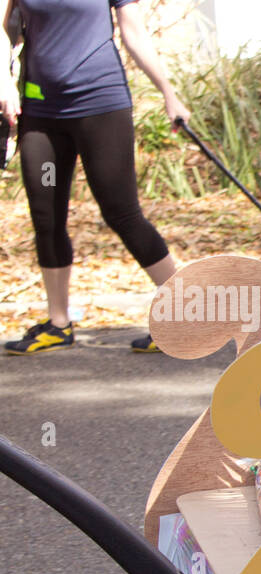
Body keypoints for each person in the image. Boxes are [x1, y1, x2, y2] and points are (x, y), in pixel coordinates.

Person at [0, 0, 188, 356]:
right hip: (41, 114)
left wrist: (169, 93)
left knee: (122, 212)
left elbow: (133, 33)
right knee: (47, 215)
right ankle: (58, 324)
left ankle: (185, 316)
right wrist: (4, 82)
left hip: (101, 106)